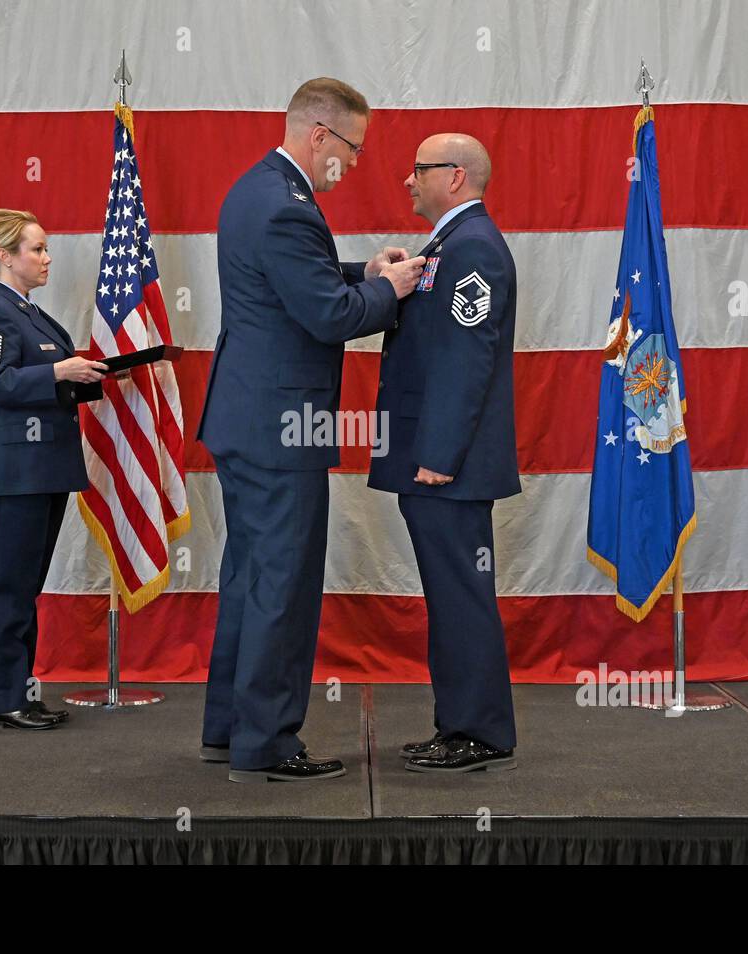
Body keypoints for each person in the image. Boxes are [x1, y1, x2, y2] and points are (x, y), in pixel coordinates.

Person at [197, 78, 426, 782]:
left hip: (246, 418)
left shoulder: (258, 190)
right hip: (279, 427)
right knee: (283, 583)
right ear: (320, 134)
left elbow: (295, 279)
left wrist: (365, 268)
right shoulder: (288, 209)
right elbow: (328, 315)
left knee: (248, 576)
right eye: (352, 149)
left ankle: (230, 728)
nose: (355, 164)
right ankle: (266, 743)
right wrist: (391, 290)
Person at [368, 134, 521, 773]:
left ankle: (478, 731)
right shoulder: (448, 247)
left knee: (460, 593)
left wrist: (438, 451)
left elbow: (465, 358)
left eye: (418, 169)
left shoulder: (474, 250)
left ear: (454, 177)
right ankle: (459, 723)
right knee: (451, 591)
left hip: (445, 462)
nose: (407, 179)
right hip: (434, 455)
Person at [0, 208, 110, 730]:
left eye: (46, 249)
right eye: (37, 249)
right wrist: (58, 370)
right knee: (8, 588)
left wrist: (96, 372)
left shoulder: (33, 316)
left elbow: (48, 382)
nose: (48, 258)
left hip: (40, 472)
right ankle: (4, 699)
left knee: (24, 589)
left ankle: (18, 694)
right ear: (6, 256)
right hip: (11, 476)